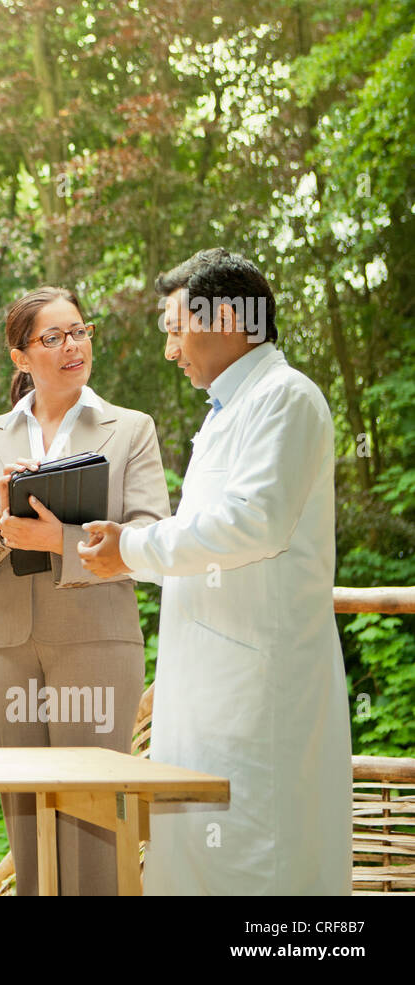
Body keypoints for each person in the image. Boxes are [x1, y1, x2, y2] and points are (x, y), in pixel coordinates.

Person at [78, 248, 352, 895]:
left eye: (175, 328)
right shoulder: (223, 415)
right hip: (204, 697)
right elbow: (205, 547)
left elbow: (253, 521)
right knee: (199, 863)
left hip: (260, 696)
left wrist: (135, 547)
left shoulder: (287, 399)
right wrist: (130, 551)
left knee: (267, 866)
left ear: (226, 318)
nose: (171, 350)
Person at [0, 286, 171, 895]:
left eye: (80, 331)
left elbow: (151, 540)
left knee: (93, 819)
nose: (73, 346)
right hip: (8, 646)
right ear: (20, 356)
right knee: (26, 821)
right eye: (53, 337)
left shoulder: (131, 430)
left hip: (98, 641)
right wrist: (1, 525)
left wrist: (58, 541)